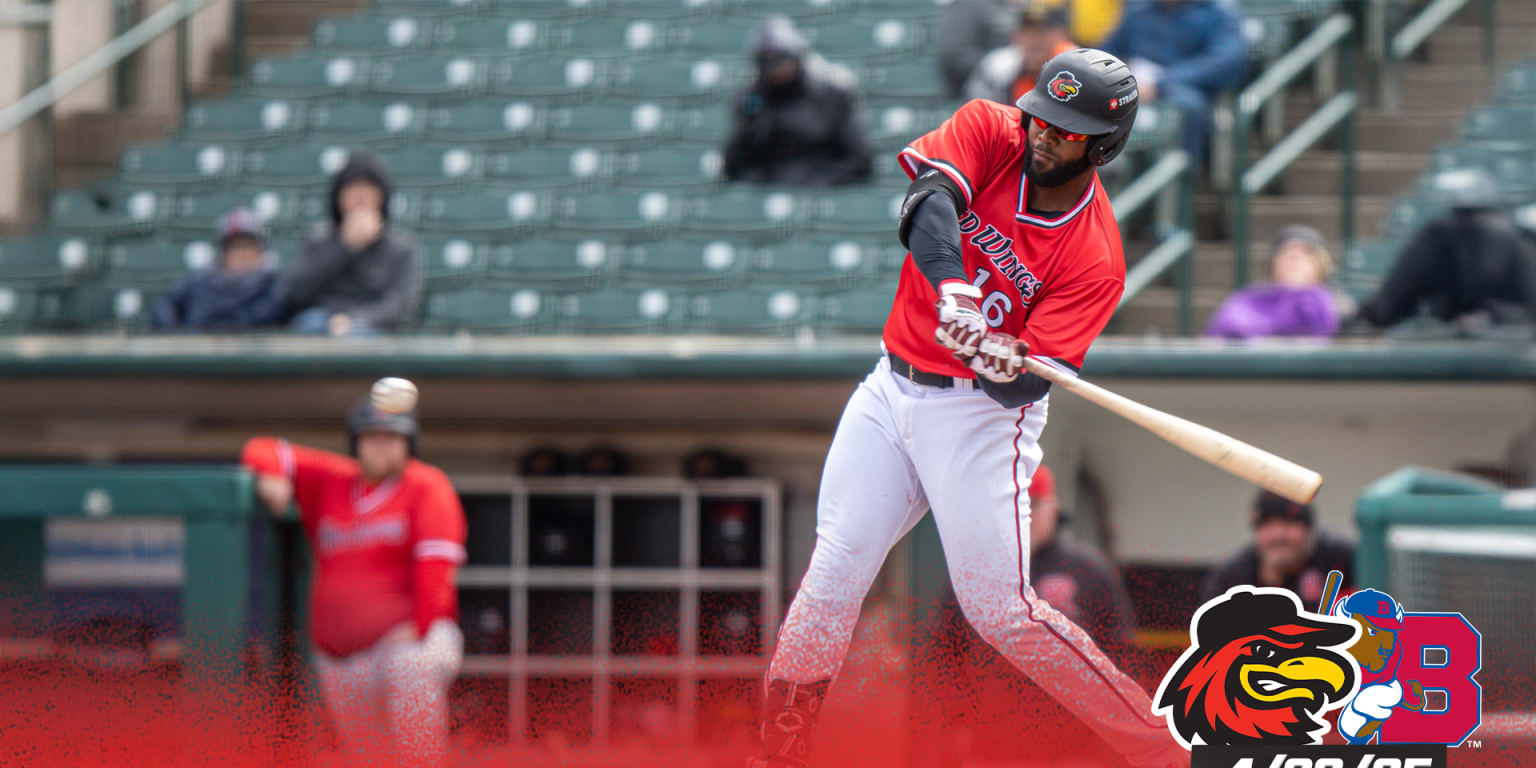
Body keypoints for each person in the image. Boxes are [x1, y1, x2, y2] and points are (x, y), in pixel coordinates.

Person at [749, 49, 1187, 768]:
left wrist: (994, 357)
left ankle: (1160, 752)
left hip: (980, 420)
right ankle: (779, 753)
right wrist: (954, 290)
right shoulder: (992, 126)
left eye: (1067, 132)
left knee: (1002, 615)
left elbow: (1025, 388)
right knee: (834, 570)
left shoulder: (1096, 256)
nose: (1045, 135)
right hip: (891, 388)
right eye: (1042, 118)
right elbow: (927, 203)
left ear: (1103, 146)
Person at [241, 380, 466, 767]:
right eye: (371, 437)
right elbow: (261, 447)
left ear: (408, 444)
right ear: (356, 442)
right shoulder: (333, 479)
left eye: (391, 438)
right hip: (342, 655)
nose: (380, 446)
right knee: (368, 757)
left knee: (415, 714)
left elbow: (438, 572)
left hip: (406, 643)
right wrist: (272, 475)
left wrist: (421, 625)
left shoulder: (427, 485)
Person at [1350, 171, 1536, 334]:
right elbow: (1393, 299)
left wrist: (1490, 317)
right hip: (1451, 348)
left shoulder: (1511, 241)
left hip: (1507, 351)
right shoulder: (1440, 237)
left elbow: (1527, 308)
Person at [721, 17, 872, 187]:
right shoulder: (751, 101)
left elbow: (859, 160)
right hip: (768, 191)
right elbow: (732, 166)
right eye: (768, 61)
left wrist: (818, 186)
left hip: (822, 189)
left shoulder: (832, 96)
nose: (776, 67)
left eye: (782, 59)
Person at [286, 154, 423, 335]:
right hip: (320, 321)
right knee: (311, 325)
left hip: (370, 327)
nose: (360, 196)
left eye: (369, 187)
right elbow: (297, 292)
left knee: (356, 335)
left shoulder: (402, 247)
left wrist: (353, 320)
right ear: (338, 196)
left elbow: (400, 305)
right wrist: (346, 246)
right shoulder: (316, 238)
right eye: (352, 187)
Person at [1101, 0, 1246, 165]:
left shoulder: (1218, 10)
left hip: (1183, 87)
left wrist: (1160, 83)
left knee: (1188, 106)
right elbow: (1108, 51)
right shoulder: (1139, 8)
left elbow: (1227, 60)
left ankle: (1187, 175)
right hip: (1135, 82)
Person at [1199, 491, 1354, 611]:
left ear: (1309, 531)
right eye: (1268, 524)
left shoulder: (1341, 558)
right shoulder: (1231, 579)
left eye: (1289, 523)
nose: (1278, 534)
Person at [149, 207, 287, 331]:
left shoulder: (273, 286)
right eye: (236, 247)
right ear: (223, 253)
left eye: (249, 246)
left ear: (261, 251)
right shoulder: (198, 282)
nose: (243, 254)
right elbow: (163, 309)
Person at [1204, 224, 1340, 339]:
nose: (1294, 257)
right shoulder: (1245, 302)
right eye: (1285, 251)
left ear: (1322, 264)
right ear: (1273, 264)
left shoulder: (1339, 308)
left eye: (1306, 252)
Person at [963, 3, 1078, 105]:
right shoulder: (997, 68)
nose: (1035, 38)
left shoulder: (1076, 68)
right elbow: (979, 114)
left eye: (1043, 31)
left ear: (1061, 35)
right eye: (1028, 30)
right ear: (1015, 35)